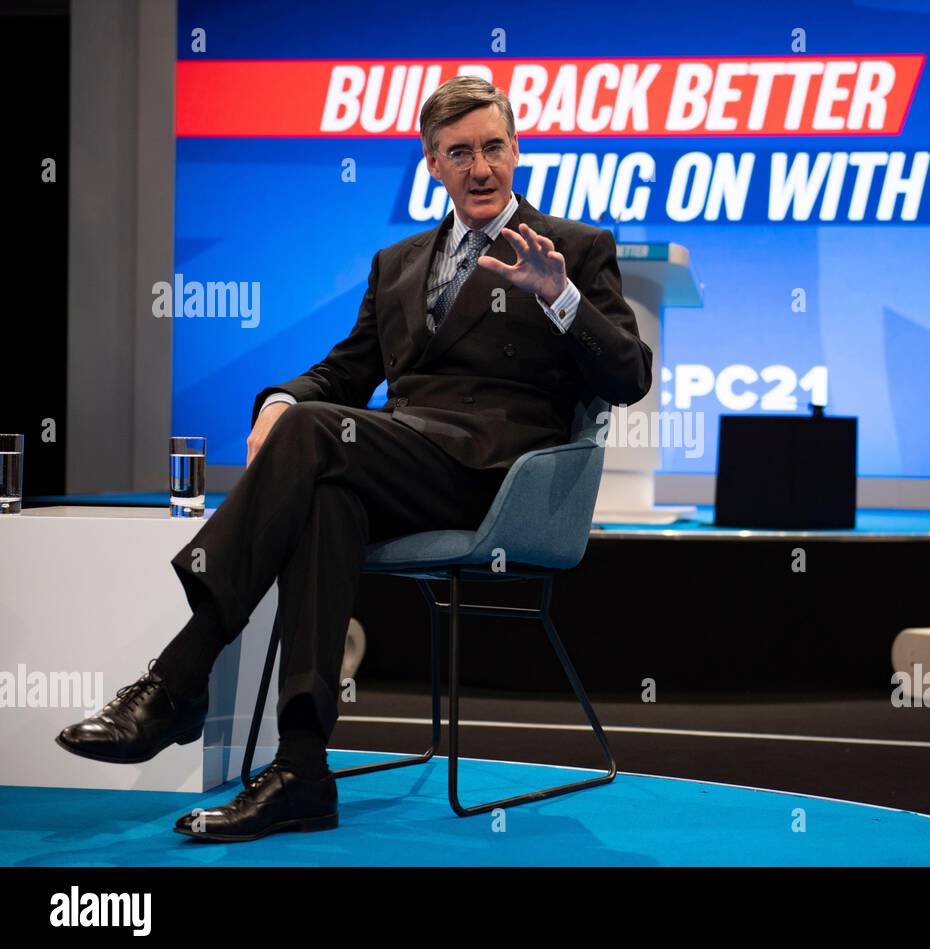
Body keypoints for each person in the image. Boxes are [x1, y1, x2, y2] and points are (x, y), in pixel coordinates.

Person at [54, 76, 652, 842]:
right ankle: (303, 767)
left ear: (517, 150)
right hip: (400, 466)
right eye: (460, 153)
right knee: (325, 492)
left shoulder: (571, 249)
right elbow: (344, 371)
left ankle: (176, 679)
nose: (481, 168)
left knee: (313, 438)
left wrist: (560, 299)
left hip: (496, 482)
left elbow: (628, 378)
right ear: (432, 163)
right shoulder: (398, 262)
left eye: (494, 148)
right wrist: (278, 396)